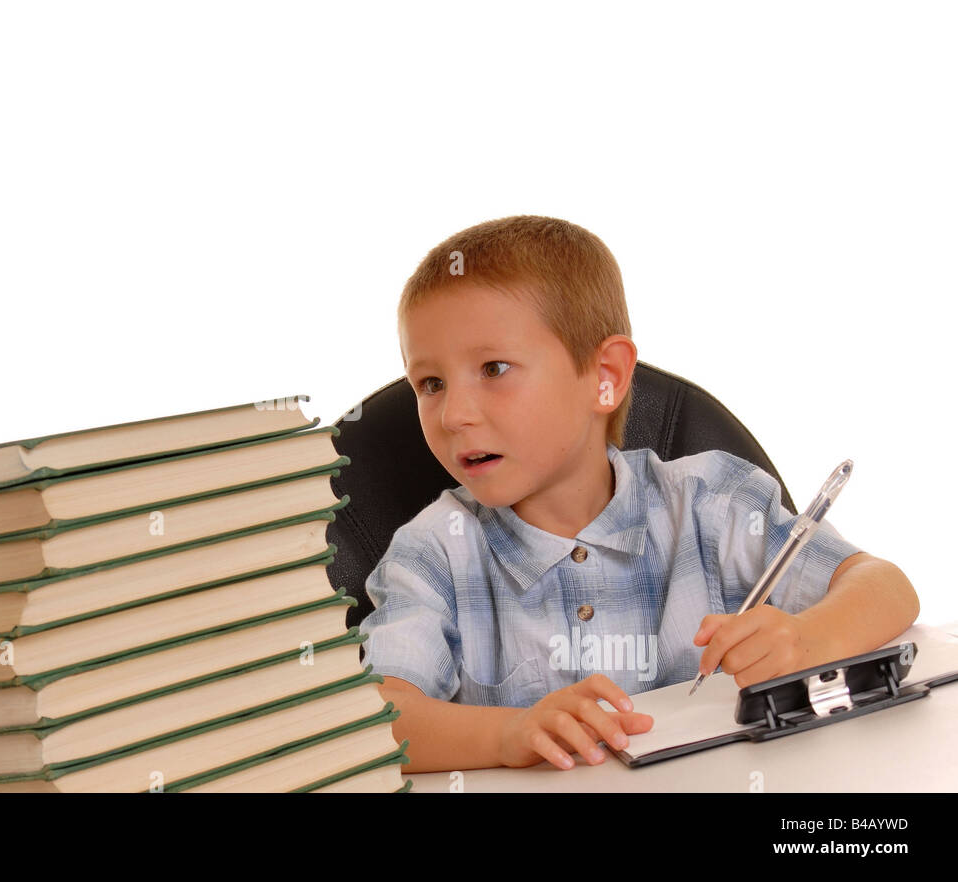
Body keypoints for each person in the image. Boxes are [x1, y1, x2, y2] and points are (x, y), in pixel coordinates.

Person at [357, 215, 920, 773]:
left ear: (605, 374)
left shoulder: (711, 502)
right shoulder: (434, 553)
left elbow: (886, 588)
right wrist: (508, 733)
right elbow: (374, 719)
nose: (453, 415)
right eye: (430, 384)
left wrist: (805, 639)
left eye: (494, 368)